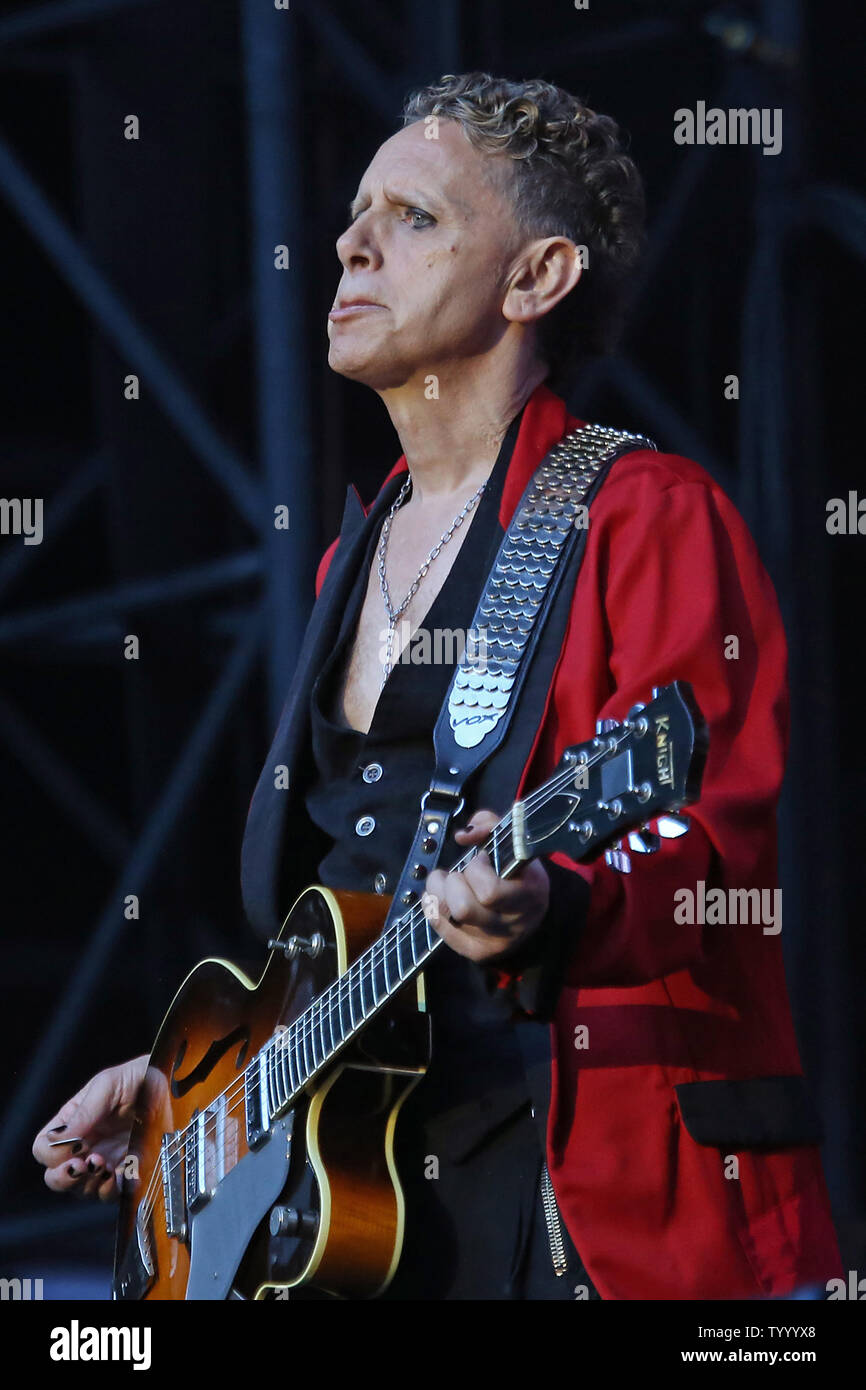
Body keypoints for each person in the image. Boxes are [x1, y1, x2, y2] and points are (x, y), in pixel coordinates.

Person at [33, 72, 842, 1300]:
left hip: (572, 1197)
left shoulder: (646, 515)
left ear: (534, 279)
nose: (349, 242)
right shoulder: (345, 555)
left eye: (410, 218)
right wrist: (191, 1113)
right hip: (363, 1212)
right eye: (356, 211)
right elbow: (338, 910)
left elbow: (711, 851)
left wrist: (552, 906)